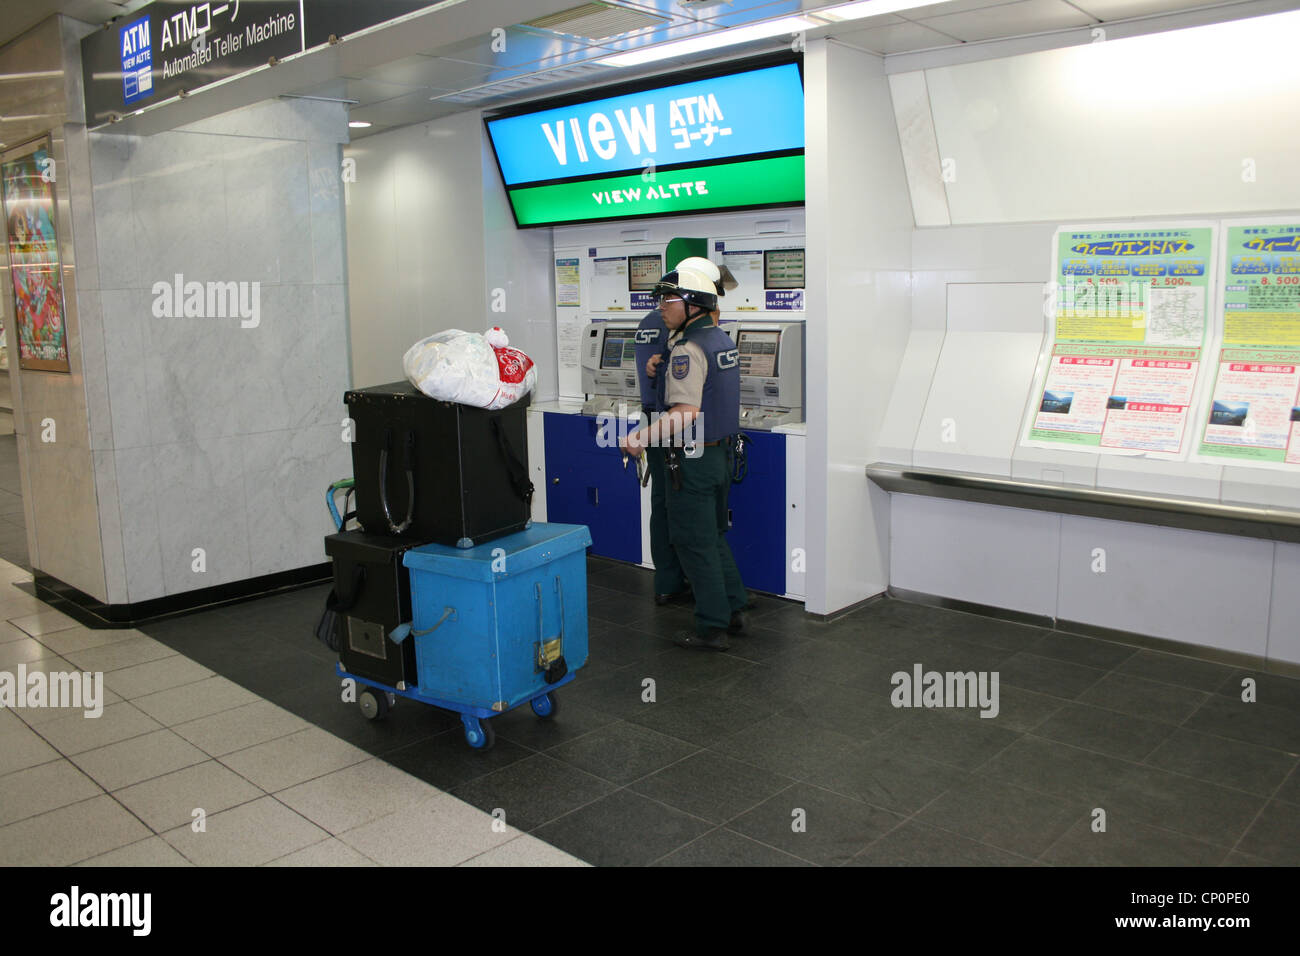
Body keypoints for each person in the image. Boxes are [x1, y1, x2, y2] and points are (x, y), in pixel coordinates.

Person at [621, 263, 747, 651]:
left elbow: (685, 413)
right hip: (720, 456)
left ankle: (711, 626)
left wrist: (639, 437)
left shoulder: (688, 349)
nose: (661, 305)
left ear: (692, 304)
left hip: (692, 460)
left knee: (694, 542)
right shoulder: (720, 340)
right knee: (715, 536)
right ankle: (734, 608)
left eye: (669, 298)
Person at [634, 305, 691, 606]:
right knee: (678, 501)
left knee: (661, 500)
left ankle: (666, 581)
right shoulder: (676, 327)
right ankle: (679, 579)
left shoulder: (647, 322)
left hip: (650, 414)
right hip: (673, 421)